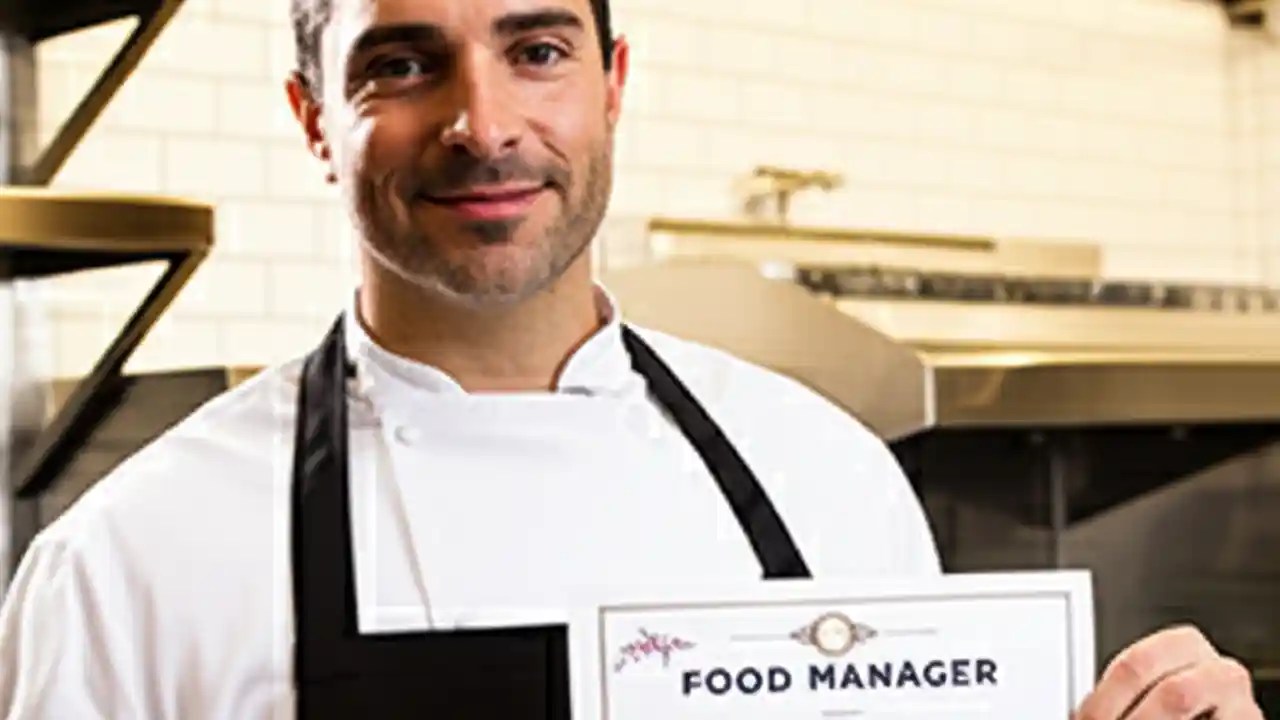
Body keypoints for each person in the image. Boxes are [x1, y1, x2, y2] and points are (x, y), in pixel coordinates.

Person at [0, 0, 1263, 717]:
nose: (482, 124)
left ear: (609, 86)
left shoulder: (828, 479)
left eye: (535, 50)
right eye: (400, 64)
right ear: (312, 122)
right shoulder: (128, 565)